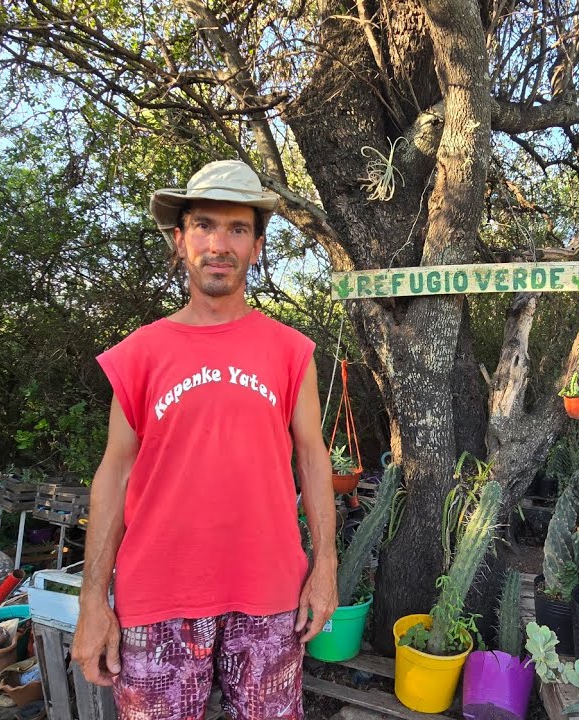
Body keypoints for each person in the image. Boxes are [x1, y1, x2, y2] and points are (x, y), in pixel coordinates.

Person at [72, 159, 338, 720]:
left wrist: (326, 568)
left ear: (257, 246)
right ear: (180, 238)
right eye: (204, 225)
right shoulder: (140, 353)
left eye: (238, 229)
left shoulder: (292, 353)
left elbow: (314, 460)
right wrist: (93, 600)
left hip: (270, 597)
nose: (220, 244)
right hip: (156, 600)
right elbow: (115, 473)